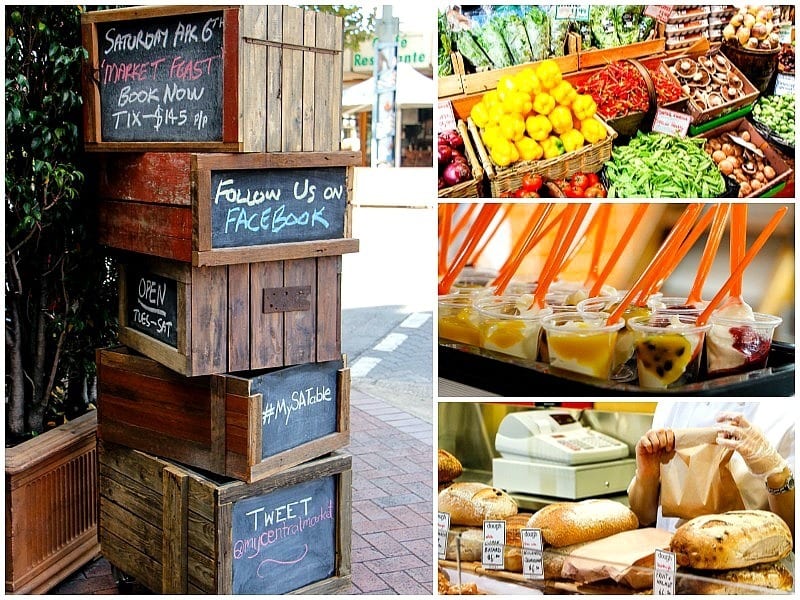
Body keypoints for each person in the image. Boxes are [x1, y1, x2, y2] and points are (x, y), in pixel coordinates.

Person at [627, 402, 794, 539]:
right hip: (668, 569)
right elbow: (644, 516)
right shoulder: (671, 405)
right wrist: (647, 476)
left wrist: (775, 472)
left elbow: (792, 532)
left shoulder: (787, 414)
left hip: (746, 574)